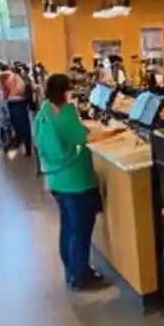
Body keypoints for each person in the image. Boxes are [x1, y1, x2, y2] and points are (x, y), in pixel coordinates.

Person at [34, 74, 113, 292]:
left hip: (56, 179)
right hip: (76, 180)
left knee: (68, 227)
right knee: (81, 230)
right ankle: (82, 276)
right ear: (65, 92)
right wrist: (114, 132)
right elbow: (84, 138)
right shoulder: (66, 113)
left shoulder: (44, 112)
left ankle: (71, 271)